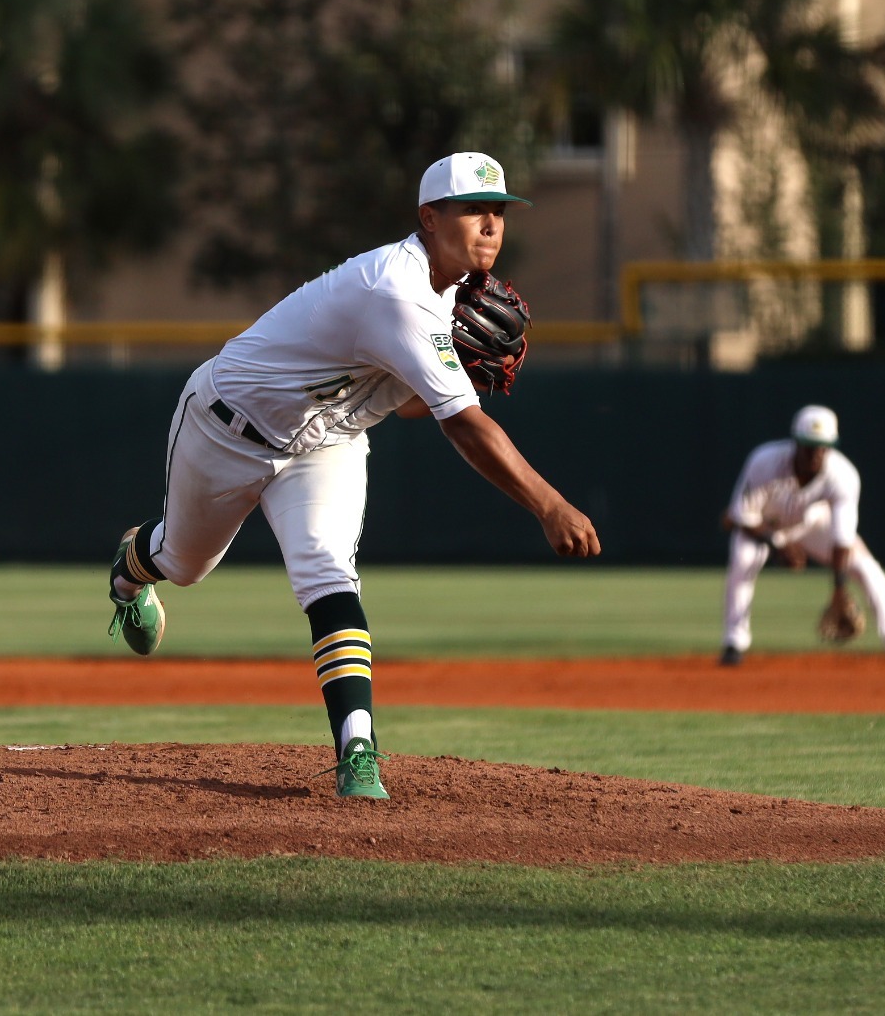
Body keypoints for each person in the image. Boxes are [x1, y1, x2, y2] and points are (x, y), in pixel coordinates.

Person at [105, 153, 601, 799]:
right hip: (226, 428)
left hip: (327, 441)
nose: (491, 224)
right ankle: (128, 569)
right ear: (429, 217)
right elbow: (460, 423)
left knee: (327, 573)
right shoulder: (395, 290)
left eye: (499, 211)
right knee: (183, 560)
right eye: (474, 209)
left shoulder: (450, 294)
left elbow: (410, 402)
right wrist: (549, 503)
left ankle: (357, 750)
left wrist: (458, 378)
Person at [718, 405, 885, 667]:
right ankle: (734, 642)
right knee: (743, 561)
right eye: (808, 445)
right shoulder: (764, 461)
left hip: (811, 523)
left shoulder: (843, 475)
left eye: (823, 446)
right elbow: (737, 518)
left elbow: (842, 539)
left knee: (866, 567)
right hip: (763, 527)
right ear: (795, 443)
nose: (815, 452)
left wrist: (839, 588)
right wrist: (777, 543)